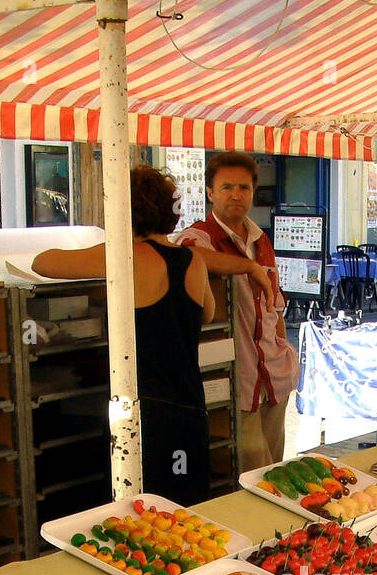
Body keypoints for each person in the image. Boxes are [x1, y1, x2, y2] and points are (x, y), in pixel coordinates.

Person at [31, 164, 214, 505]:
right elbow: (208, 312)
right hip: (190, 405)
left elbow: (42, 263)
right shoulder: (193, 261)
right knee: (188, 509)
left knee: (144, 513)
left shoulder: (123, 257)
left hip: (145, 413)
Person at [175, 151, 300, 471]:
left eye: (244, 188)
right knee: (249, 478)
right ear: (210, 193)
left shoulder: (261, 239)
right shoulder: (198, 238)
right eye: (227, 187)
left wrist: (284, 350)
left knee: (276, 473)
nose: (236, 194)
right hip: (234, 383)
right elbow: (191, 259)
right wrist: (246, 267)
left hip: (273, 378)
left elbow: (275, 306)